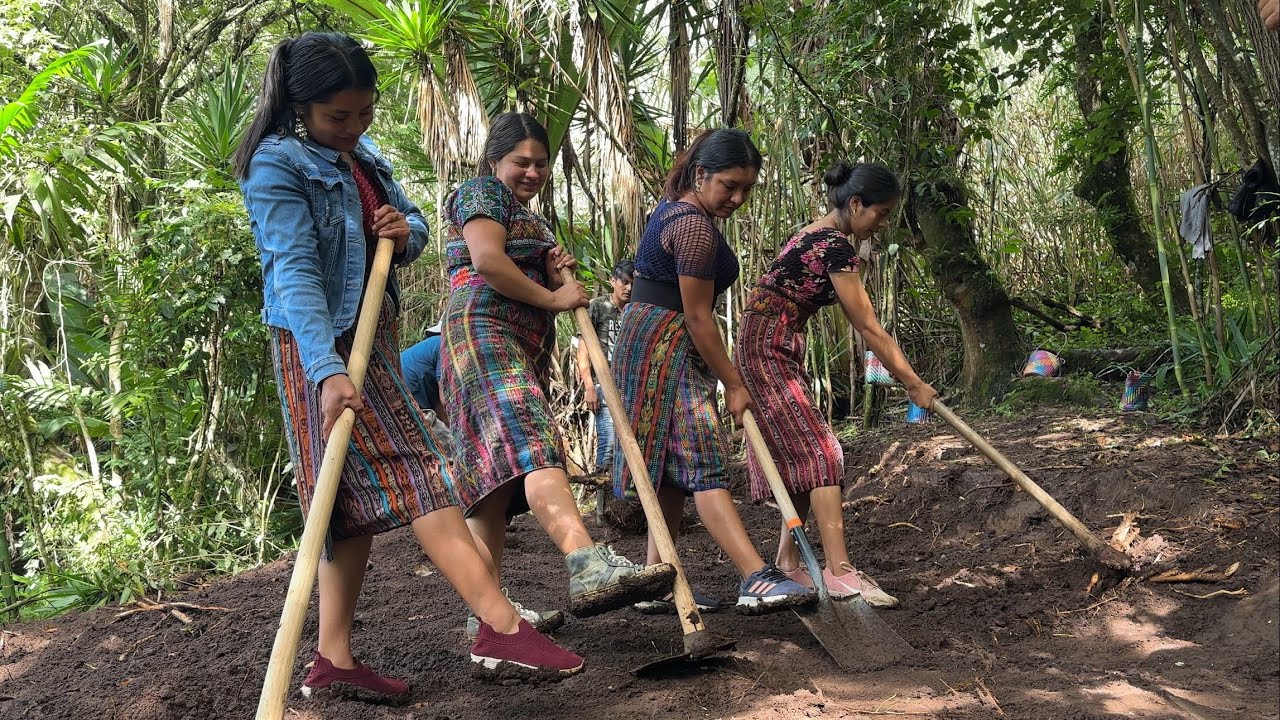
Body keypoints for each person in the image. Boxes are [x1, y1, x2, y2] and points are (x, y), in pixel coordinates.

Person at [234, 33, 583, 701]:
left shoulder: (362, 154)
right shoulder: (276, 165)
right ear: (299, 105)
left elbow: (417, 228)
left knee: (343, 504)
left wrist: (399, 231)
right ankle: (500, 626)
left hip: (373, 340)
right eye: (339, 117)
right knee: (424, 470)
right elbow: (296, 273)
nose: (354, 128)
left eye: (363, 113)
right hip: (321, 344)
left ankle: (334, 658)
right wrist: (326, 368)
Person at [438, 112, 675, 633]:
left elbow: (513, 259)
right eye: (520, 162)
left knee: (492, 487)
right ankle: (586, 563)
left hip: (507, 343)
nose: (531, 171)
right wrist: (553, 295)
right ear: (494, 161)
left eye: (541, 163)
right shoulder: (480, 192)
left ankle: (488, 620)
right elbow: (486, 262)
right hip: (484, 335)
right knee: (536, 444)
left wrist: (546, 263)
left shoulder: (526, 216)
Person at [610, 128, 814, 614]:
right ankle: (754, 577)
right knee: (701, 461)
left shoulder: (674, 210)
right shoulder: (694, 228)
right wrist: (735, 383)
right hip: (669, 343)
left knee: (671, 469)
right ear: (700, 175)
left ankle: (659, 578)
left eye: (747, 188)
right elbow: (698, 316)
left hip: (648, 337)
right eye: (729, 185)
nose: (738, 198)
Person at [733, 161, 937, 608]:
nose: (880, 225)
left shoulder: (813, 235)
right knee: (824, 452)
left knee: (808, 457)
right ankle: (841, 571)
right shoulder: (835, 246)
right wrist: (914, 384)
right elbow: (868, 326)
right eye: (880, 214)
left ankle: (789, 563)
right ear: (856, 204)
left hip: (773, 344)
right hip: (767, 348)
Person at [574, 259, 634, 476]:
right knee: (608, 447)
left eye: (632, 284)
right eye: (624, 282)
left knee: (631, 448)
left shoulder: (635, 311)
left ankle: (624, 502)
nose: (628, 288)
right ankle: (602, 505)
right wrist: (589, 386)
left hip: (631, 388)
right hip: (605, 387)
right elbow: (584, 348)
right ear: (613, 281)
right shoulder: (598, 307)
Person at [401, 322, 447, 424]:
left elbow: (438, 403)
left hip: (396, 387)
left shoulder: (429, 345)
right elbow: (444, 400)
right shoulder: (443, 345)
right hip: (409, 392)